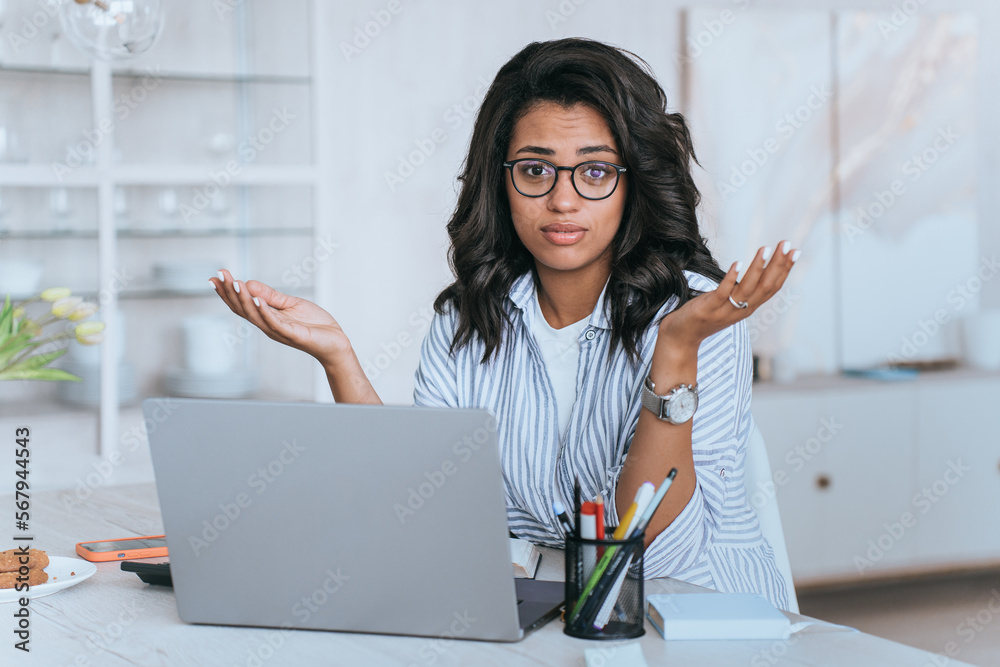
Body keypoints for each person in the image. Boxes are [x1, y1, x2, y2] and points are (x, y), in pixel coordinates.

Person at [210, 38, 798, 610]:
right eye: (536, 170)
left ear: (634, 182)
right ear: (501, 180)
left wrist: (675, 348)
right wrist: (337, 354)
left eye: (594, 173)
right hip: (541, 611)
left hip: (696, 615)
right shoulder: (466, 317)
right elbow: (423, 508)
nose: (563, 201)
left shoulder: (699, 315)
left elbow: (636, 543)